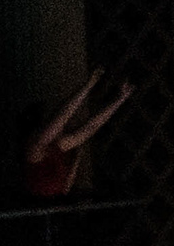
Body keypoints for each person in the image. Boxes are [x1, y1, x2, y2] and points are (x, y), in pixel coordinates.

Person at [21, 69, 137, 199]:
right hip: (50, 184)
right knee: (64, 127)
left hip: (49, 175)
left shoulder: (43, 150)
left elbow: (74, 121)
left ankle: (115, 95)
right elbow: (67, 118)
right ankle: (113, 95)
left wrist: (118, 96)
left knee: (66, 128)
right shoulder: (38, 149)